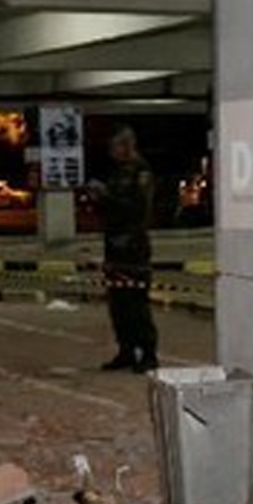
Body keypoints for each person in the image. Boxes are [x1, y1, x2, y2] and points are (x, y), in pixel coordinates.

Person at [94, 126, 159, 372]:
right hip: (114, 244)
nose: (112, 152)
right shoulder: (117, 173)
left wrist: (107, 198)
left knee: (136, 303)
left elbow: (137, 210)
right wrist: (99, 199)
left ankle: (148, 352)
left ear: (127, 146)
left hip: (133, 245)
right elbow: (109, 211)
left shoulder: (140, 173)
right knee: (118, 303)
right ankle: (126, 349)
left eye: (116, 147)